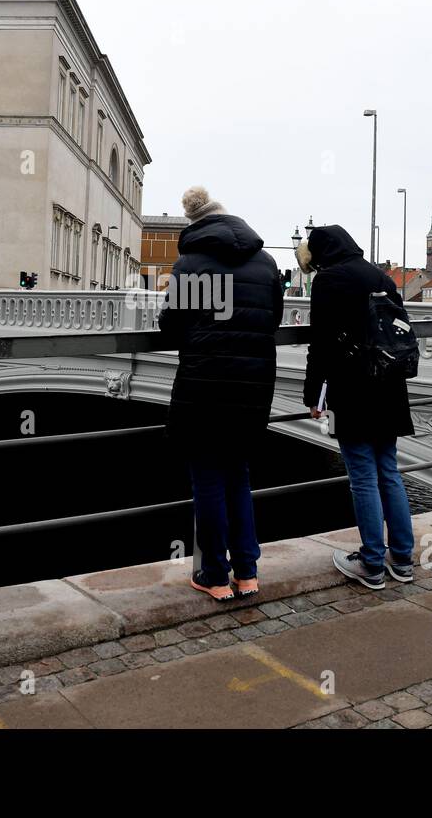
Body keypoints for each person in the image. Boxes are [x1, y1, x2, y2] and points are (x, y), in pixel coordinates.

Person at [159, 187, 282, 601]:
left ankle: (214, 574)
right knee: (239, 479)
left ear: (194, 225)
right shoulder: (266, 263)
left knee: (208, 481)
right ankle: (247, 573)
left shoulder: (190, 264)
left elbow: (171, 325)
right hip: (252, 385)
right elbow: (274, 319)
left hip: (204, 386)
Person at [297, 225, 416, 590]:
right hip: (389, 386)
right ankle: (402, 558)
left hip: (354, 387)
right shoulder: (380, 275)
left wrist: (313, 395)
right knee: (389, 472)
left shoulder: (329, 281)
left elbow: (321, 343)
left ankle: (371, 562)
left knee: (363, 475)